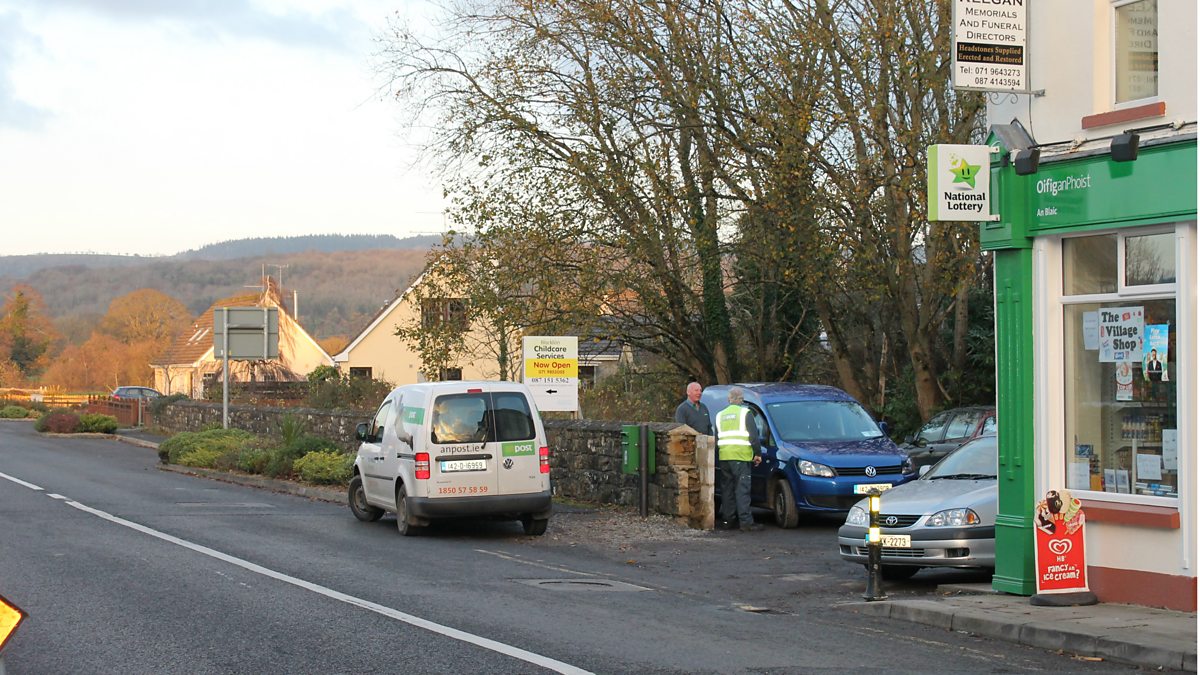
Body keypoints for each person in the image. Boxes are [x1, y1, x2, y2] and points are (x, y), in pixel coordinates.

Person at [715, 386, 763, 531]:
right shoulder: (745, 413)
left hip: (724, 457)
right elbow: (753, 437)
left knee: (727, 489)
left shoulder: (720, 415)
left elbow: (717, 437)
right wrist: (758, 454)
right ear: (741, 399)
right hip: (741, 457)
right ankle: (746, 522)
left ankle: (728, 521)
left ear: (729, 399)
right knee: (742, 489)